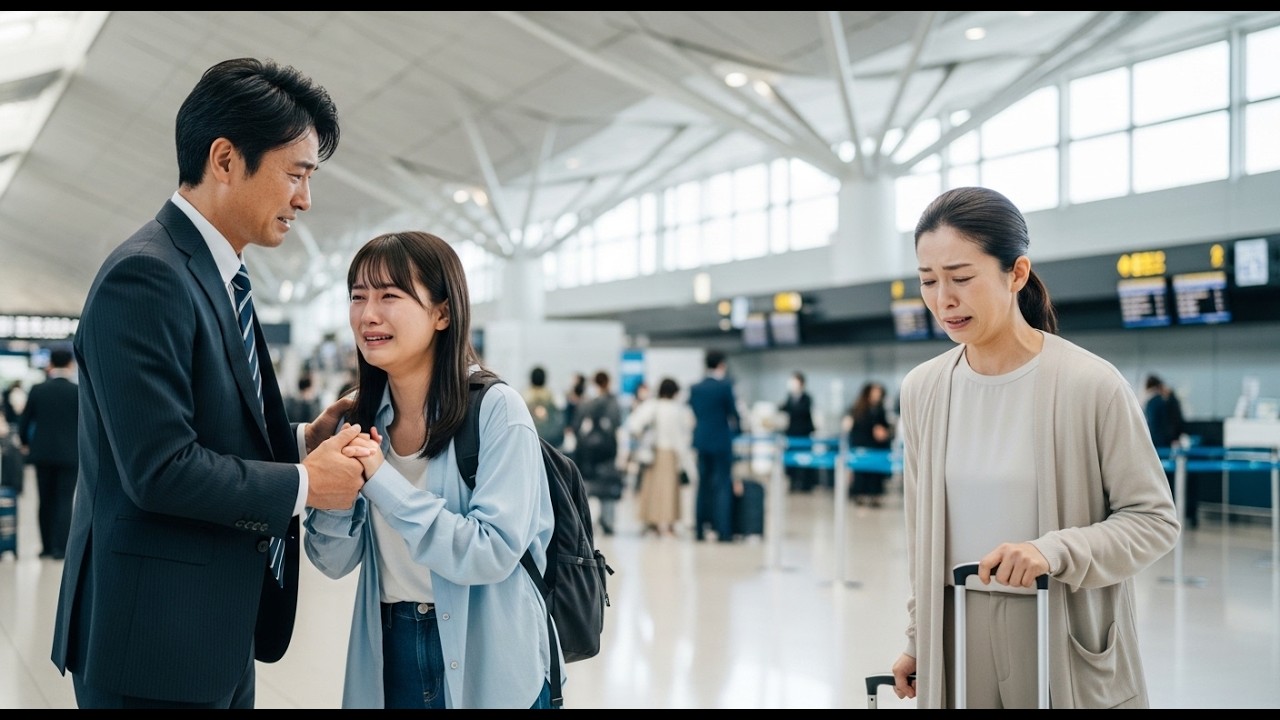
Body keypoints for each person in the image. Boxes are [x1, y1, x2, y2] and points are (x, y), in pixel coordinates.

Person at [49, 57, 370, 709]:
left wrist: (303, 441)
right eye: (296, 174)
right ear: (225, 160)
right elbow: (160, 468)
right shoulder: (146, 277)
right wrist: (307, 484)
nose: (305, 199)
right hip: (153, 647)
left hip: (211, 632)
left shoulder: (216, 276)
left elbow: (207, 424)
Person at [890, 187, 1179, 708]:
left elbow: (1154, 520)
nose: (943, 299)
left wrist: (1053, 551)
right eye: (928, 281)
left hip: (1059, 623)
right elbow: (921, 533)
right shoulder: (923, 389)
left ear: (1017, 273)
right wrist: (919, 637)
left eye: (961, 278)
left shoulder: (1090, 384)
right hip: (955, 628)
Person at [303, 231, 561, 709]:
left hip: (491, 652)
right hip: (390, 648)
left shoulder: (496, 410)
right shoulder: (361, 418)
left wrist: (382, 481)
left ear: (442, 313)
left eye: (389, 295)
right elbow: (332, 561)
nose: (368, 314)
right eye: (357, 296)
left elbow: (491, 551)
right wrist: (333, 491)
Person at [17, 348, 79, 560]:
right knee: (64, 500)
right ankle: (60, 549)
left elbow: (24, 422)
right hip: (70, 454)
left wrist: (25, 443)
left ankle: (45, 547)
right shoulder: (77, 391)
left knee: (45, 500)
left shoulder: (38, 389)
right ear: (70, 364)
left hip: (42, 453)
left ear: (50, 364)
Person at [625, 377, 696, 537]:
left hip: (654, 452)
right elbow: (684, 435)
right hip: (672, 453)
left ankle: (652, 523)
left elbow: (633, 424)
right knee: (670, 491)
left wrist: (641, 438)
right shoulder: (678, 410)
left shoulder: (652, 405)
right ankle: (669, 524)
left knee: (652, 490)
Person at [688, 349, 741, 543]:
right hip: (721, 442)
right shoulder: (725, 386)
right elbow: (733, 413)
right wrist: (738, 431)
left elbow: (694, 410)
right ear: (721, 364)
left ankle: (699, 529)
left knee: (702, 485)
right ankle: (723, 530)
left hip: (701, 441)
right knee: (722, 485)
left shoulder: (696, 387)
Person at [573, 370, 623, 536]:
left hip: (588, 451)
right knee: (608, 487)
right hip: (608, 451)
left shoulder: (587, 403)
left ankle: (584, 521)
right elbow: (617, 424)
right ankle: (608, 521)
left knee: (587, 487)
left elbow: (577, 425)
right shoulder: (613, 403)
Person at [1144, 374, 1195, 528]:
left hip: (1159, 449)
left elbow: (1155, 427)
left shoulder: (1153, 402)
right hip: (1167, 448)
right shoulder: (1165, 400)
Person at [843, 380, 893, 507]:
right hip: (862, 445)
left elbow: (886, 426)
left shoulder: (881, 409)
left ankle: (875, 495)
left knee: (875, 473)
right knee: (861, 472)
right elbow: (855, 428)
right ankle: (860, 495)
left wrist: (884, 432)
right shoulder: (858, 409)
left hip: (877, 446)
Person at [780, 371, 817, 493]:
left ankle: (805, 484)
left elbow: (801, 411)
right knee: (791, 460)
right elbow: (784, 408)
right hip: (792, 434)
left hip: (804, 434)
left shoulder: (807, 398)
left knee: (805, 459)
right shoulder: (790, 397)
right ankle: (793, 482)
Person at [523, 365, 565, 448]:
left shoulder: (525, 395)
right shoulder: (551, 395)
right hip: (549, 439)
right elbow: (557, 417)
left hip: (530, 437)